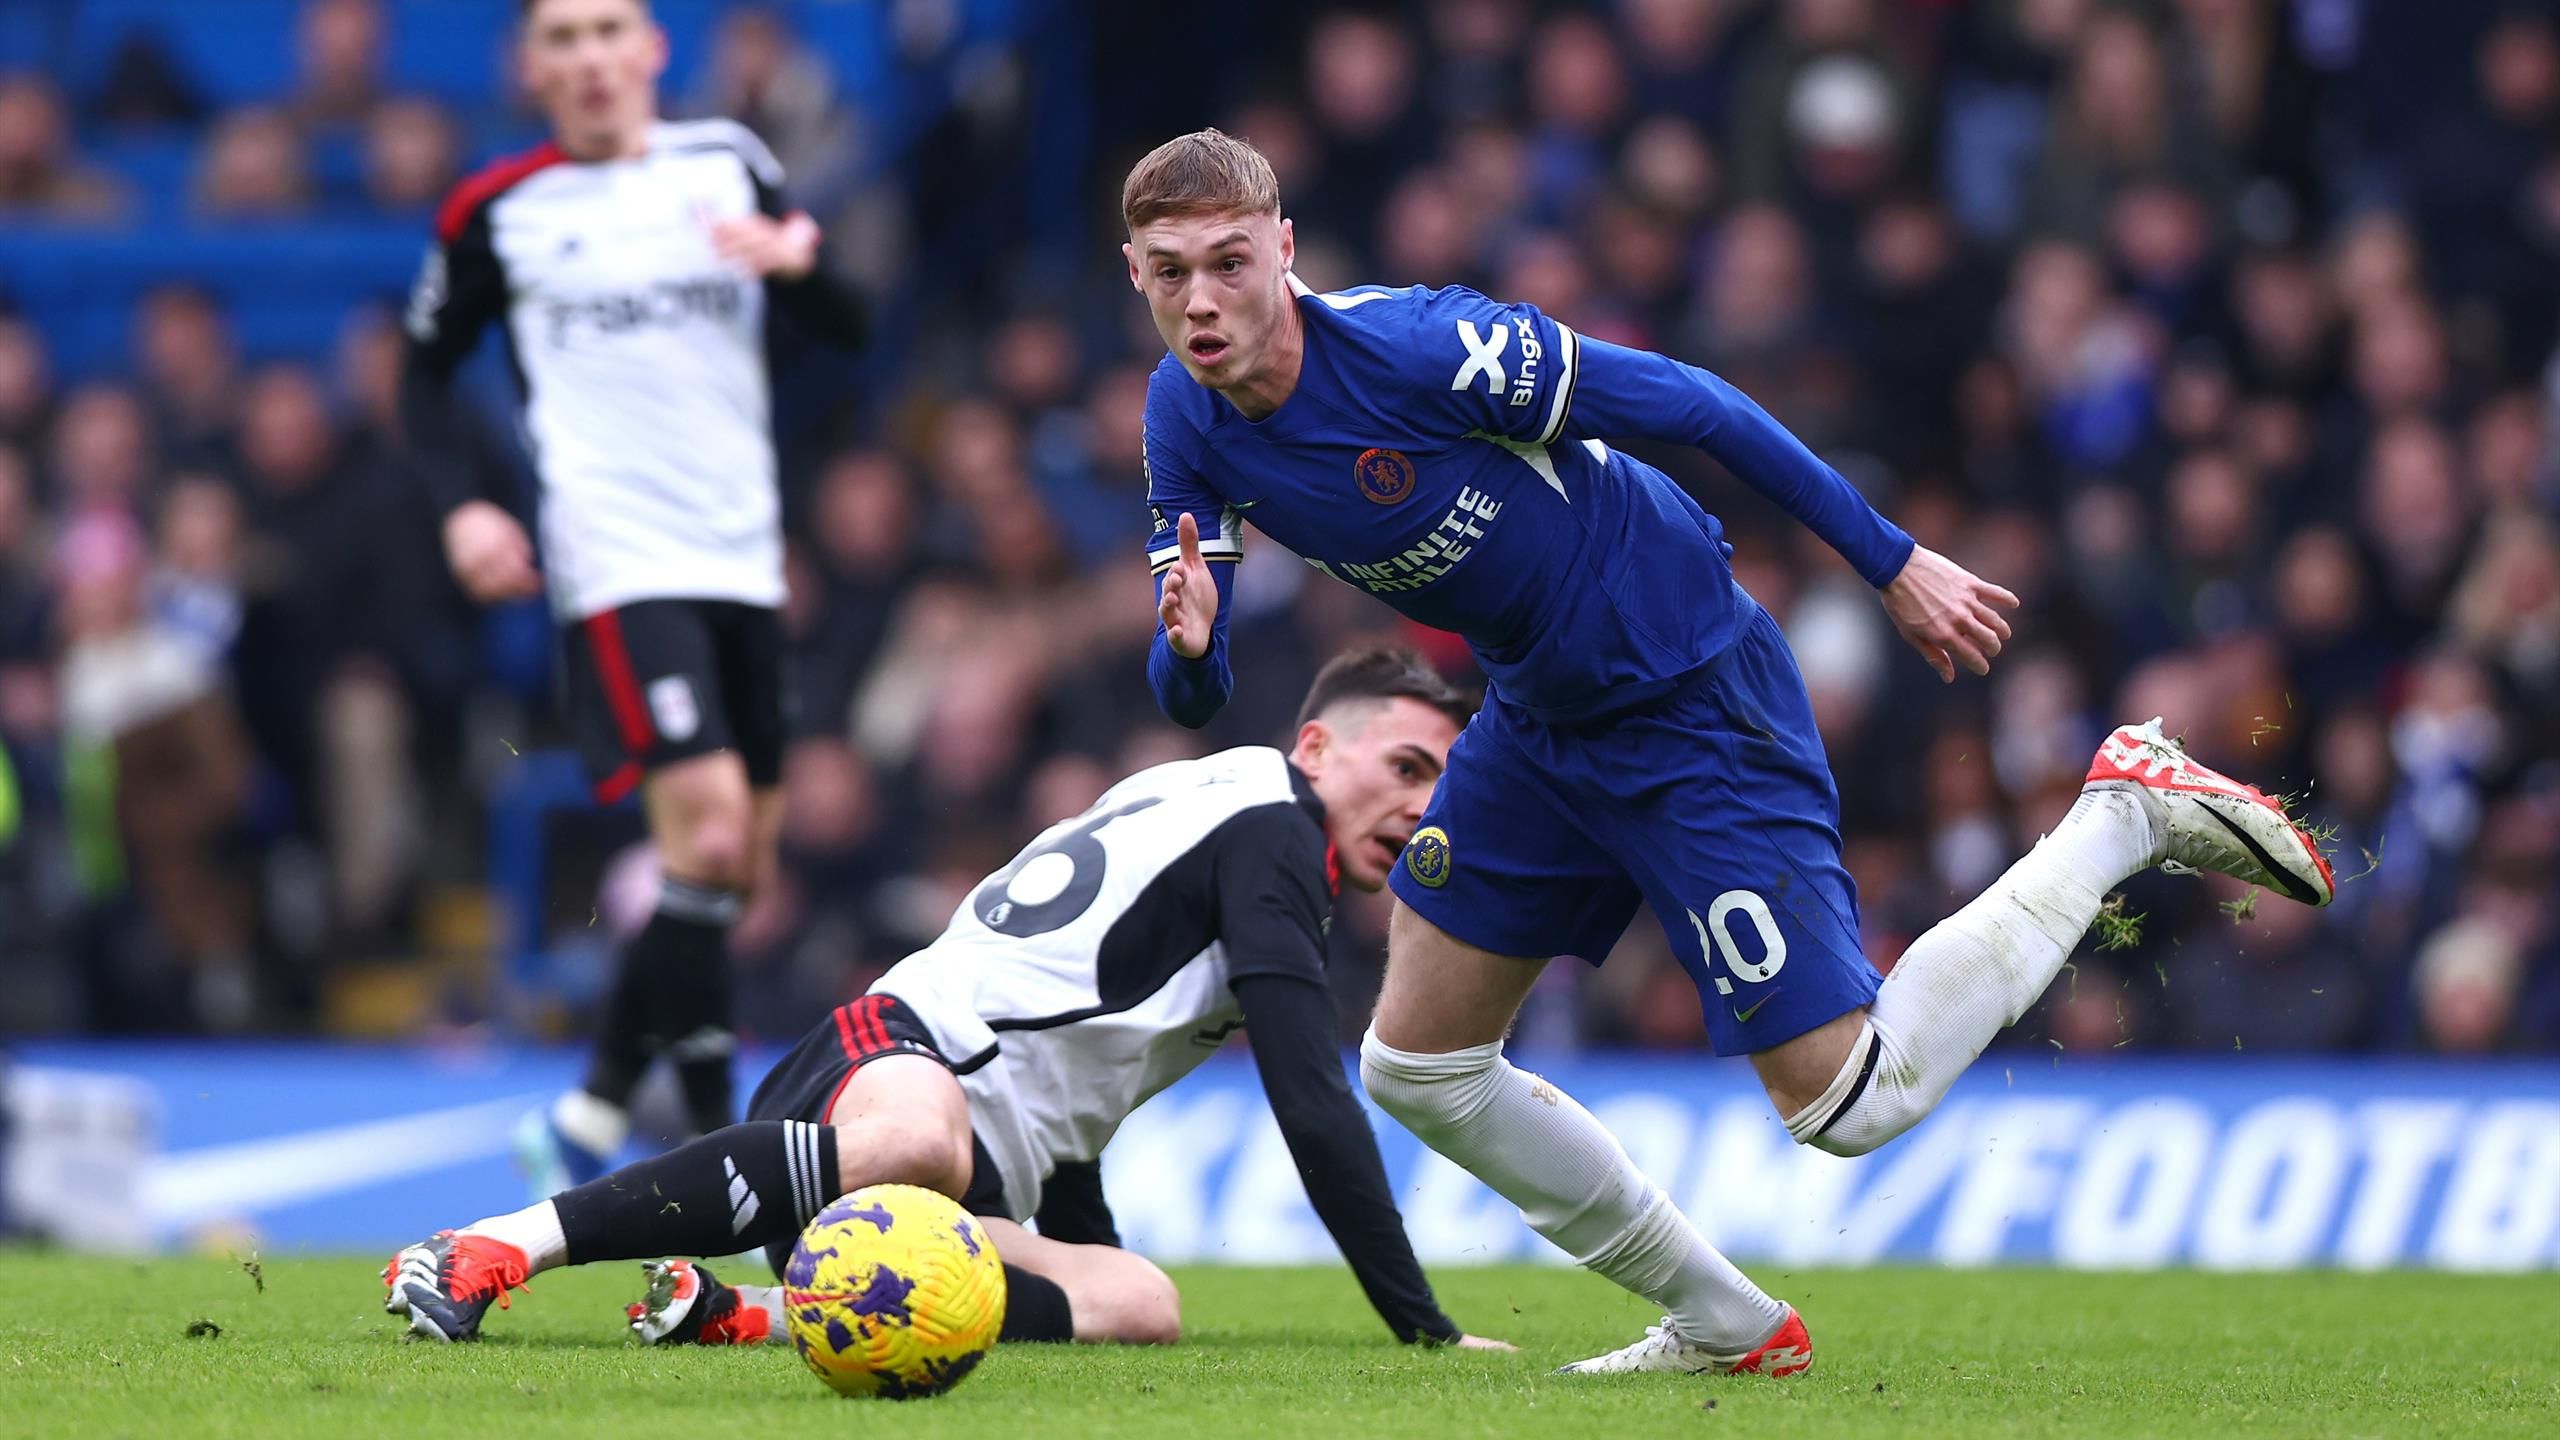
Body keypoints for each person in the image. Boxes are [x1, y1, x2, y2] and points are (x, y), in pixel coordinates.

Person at [1125, 130, 2336, 1376]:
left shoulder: (1425, 347)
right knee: (1418, 1067)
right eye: (1171, 274)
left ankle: (2121, 816)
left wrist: (1891, 563)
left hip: (1683, 681)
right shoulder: (1184, 415)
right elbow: (1191, 691)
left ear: (1283, 249)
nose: (1204, 301)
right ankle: (1724, 1325)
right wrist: (1192, 644)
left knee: (1849, 1104)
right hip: (1542, 709)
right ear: (1136, 275)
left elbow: (1691, 403)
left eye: (1229, 262)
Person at [386, 647, 1513, 1355]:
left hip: (956, 1170)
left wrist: (1083, 1238)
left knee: (1138, 1303)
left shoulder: (1229, 815)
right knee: (920, 1139)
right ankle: (493, 1244)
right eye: (1407, 767)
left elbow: (1071, 1067)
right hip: (888, 1067)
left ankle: (755, 1315)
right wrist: (1426, 1330)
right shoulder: (1275, 828)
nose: (1422, 807)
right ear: (1314, 746)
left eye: (1443, 788)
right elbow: (1310, 1097)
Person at [399, 0, 867, 1187]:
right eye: (564, 37)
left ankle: (594, 1113)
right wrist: (465, 505)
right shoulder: (498, 211)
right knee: (705, 839)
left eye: (611, 29)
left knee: (735, 874)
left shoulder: (728, 163)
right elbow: (421, 376)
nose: (591, 57)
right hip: (616, 563)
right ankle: (730, 1164)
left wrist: (804, 266)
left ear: (654, 49)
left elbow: (848, 323)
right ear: (531, 66)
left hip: (743, 561)